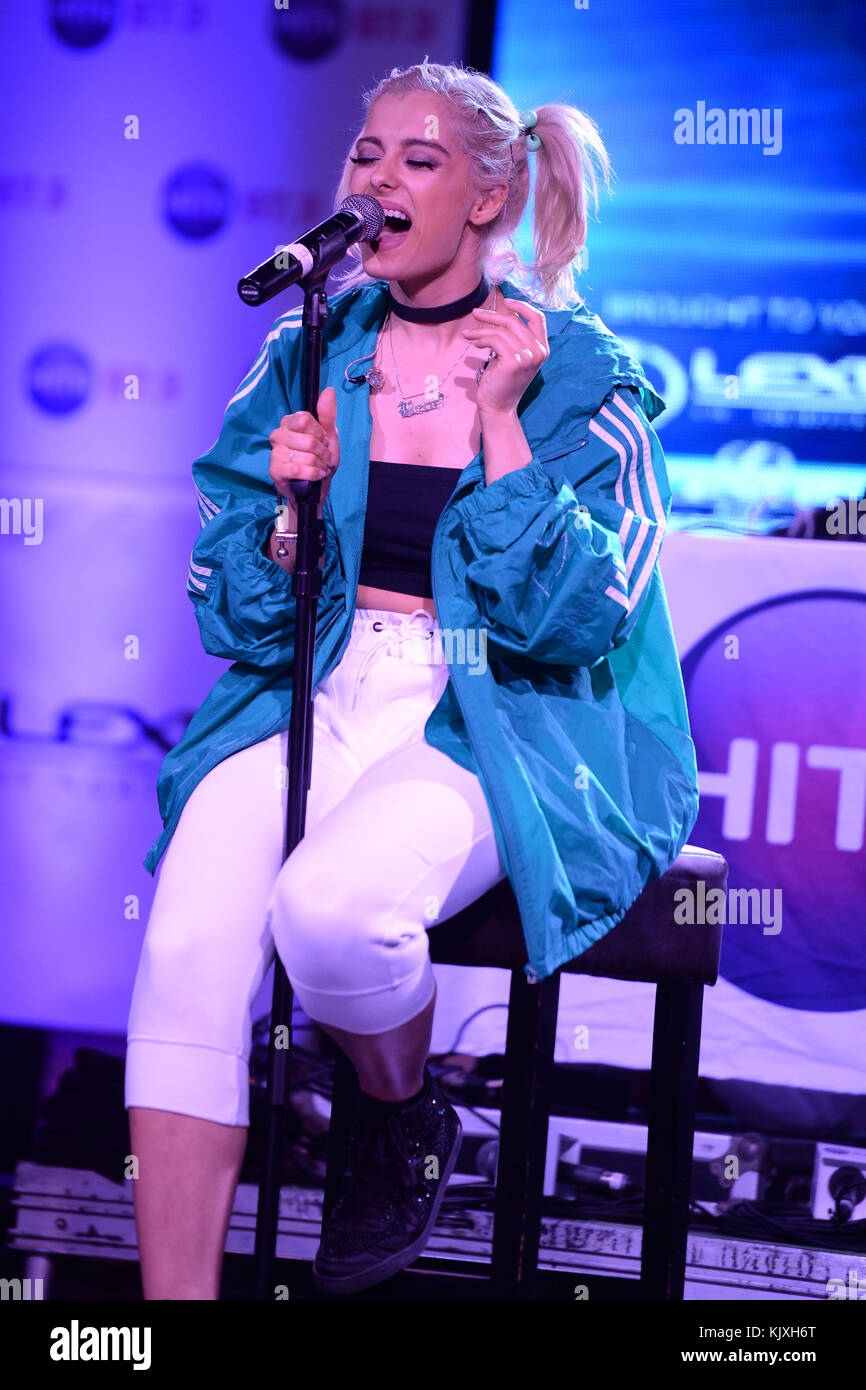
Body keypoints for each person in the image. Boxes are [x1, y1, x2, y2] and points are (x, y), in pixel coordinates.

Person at [125, 58, 699, 1300]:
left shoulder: (586, 379)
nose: (378, 183)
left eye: (418, 162)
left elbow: (577, 618)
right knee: (184, 944)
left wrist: (499, 427)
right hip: (320, 689)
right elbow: (236, 607)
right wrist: (286, 515)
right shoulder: (307, 350)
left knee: (330, 910)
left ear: (489, 199)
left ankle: (395, 1112)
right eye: (365, 158)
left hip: (496, 704)